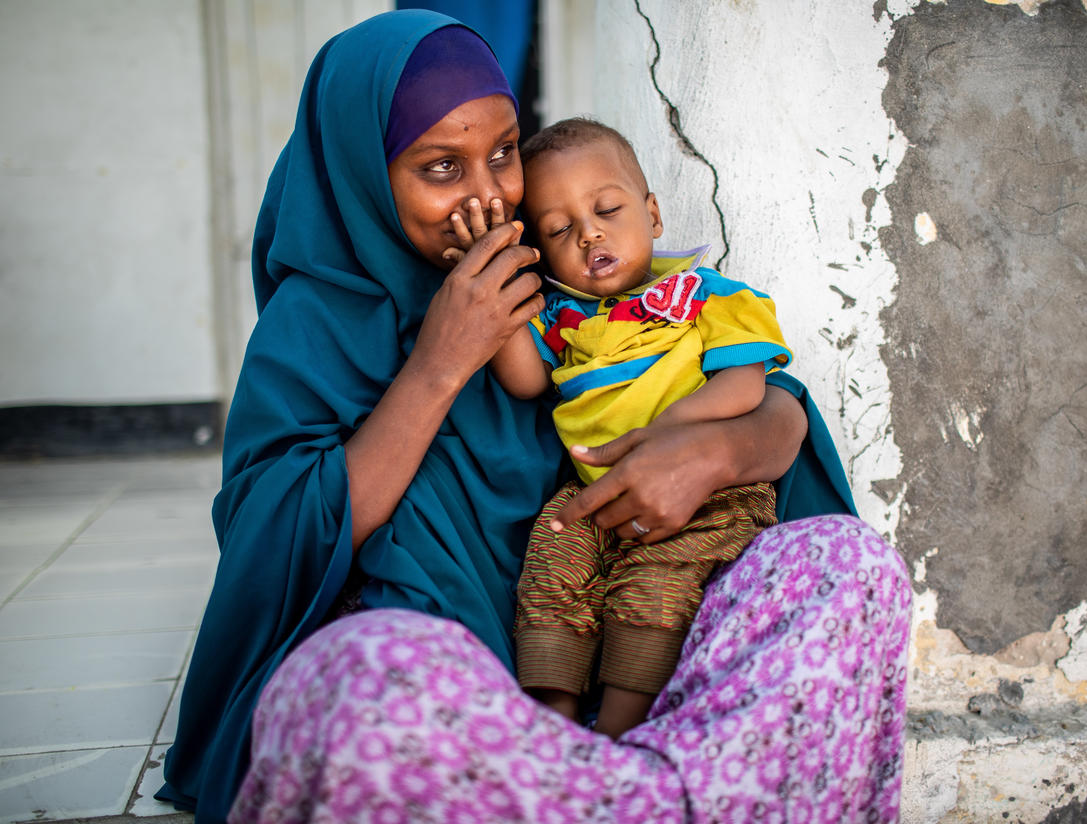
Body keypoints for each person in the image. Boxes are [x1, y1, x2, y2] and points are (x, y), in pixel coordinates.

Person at [156, 10, 911, 824]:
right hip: (468, 700)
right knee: (364, 680)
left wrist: (719, 451)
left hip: (640, 658)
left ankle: (627, 783)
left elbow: (761, 400)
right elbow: (277, 544)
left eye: (504, 153)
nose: (487, 196)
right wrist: (442, 361)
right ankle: (648, 794)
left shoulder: (552, 270)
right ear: (364, 175)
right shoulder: (316, 326)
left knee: (849, 568)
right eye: (442, 166)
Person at [492, 117, 792, 738]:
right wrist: (497, 274)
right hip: (593, 493)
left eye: (607, 209)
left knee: (654, 586)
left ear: (652, 214)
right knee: (551, 564)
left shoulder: (706, 295)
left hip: (710, 493)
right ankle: (557, 728)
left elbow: (744, 384)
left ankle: (619, 739)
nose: (589, 233)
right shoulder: (564, 320)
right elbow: (524, 380)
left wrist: (664, 438)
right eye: (559, 230)